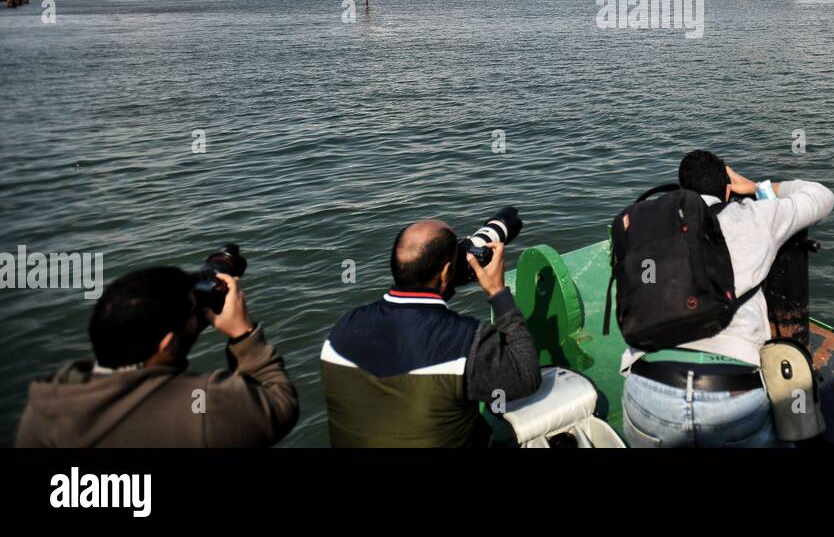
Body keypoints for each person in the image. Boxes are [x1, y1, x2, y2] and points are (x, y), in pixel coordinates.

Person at [619, 149, 834, 448]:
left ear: (683, 191)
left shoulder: (648, 230)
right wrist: (759, 187)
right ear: (728, 189)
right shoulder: (756, 216)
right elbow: (820, 196)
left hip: (646, 390)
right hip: (732, 399)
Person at [16, 266, 298, 447]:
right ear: (167, 344)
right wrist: (243, 334)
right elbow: (280, 403)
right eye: (192, 312)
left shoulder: (45, 407)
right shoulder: (203, 407)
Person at [320, 219, 541, 447]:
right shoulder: (465, 341)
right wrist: (498, 293)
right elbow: (526, 376)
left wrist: (443, 284)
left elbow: (413, 325)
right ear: (447, 272)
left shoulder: (342, 331)